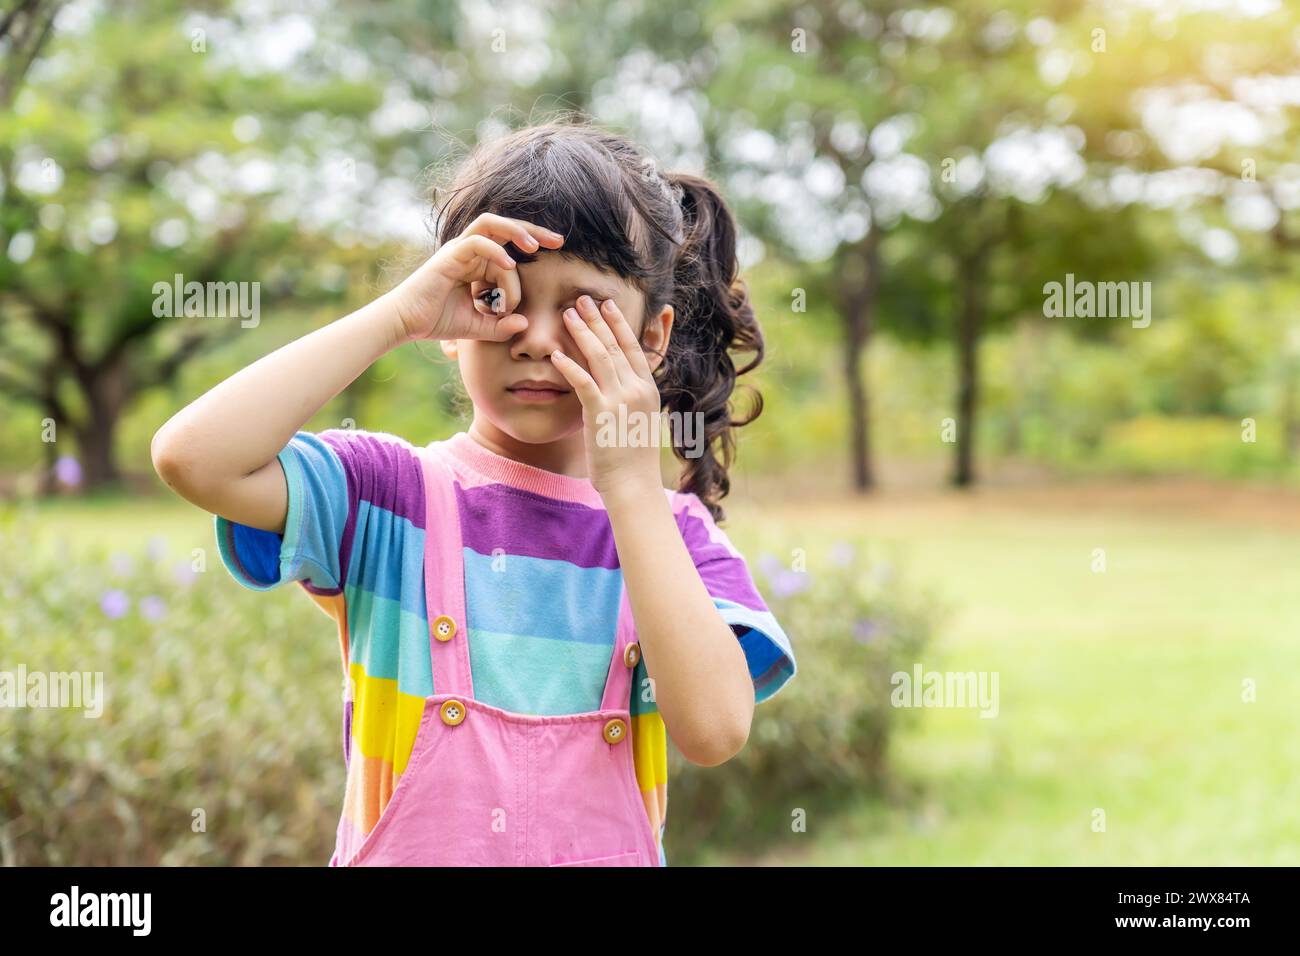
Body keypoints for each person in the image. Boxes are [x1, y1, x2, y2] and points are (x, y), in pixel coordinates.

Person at [151, 119, 797, 867]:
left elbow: (714, 731)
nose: (534, 337)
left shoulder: (674, 537)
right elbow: (193, 458)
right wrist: (398, 316)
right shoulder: (386, 498)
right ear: (452, 320)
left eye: (583, 310)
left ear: (652, 338)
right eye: (498, 297)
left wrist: (628, 485)